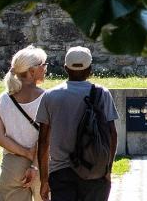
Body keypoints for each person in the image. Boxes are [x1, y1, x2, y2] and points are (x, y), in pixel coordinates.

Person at [35, 47, 118, 201]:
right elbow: (112, 134)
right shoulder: (102, 94)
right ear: (90, 69)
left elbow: (43, 140)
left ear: (66, 68)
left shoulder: (50, 96)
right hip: (94, 169)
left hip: (60, 172)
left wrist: (44, 180)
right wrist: (108, 170)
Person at [0, 46, 48, 201]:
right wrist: (35, 163)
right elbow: (47, 137)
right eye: (43, 65)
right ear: (32, 71)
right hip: (44, 165)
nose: (45, 69)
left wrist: (25, 153)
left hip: (12, 166)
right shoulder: (49, 99)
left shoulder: (0, 101)